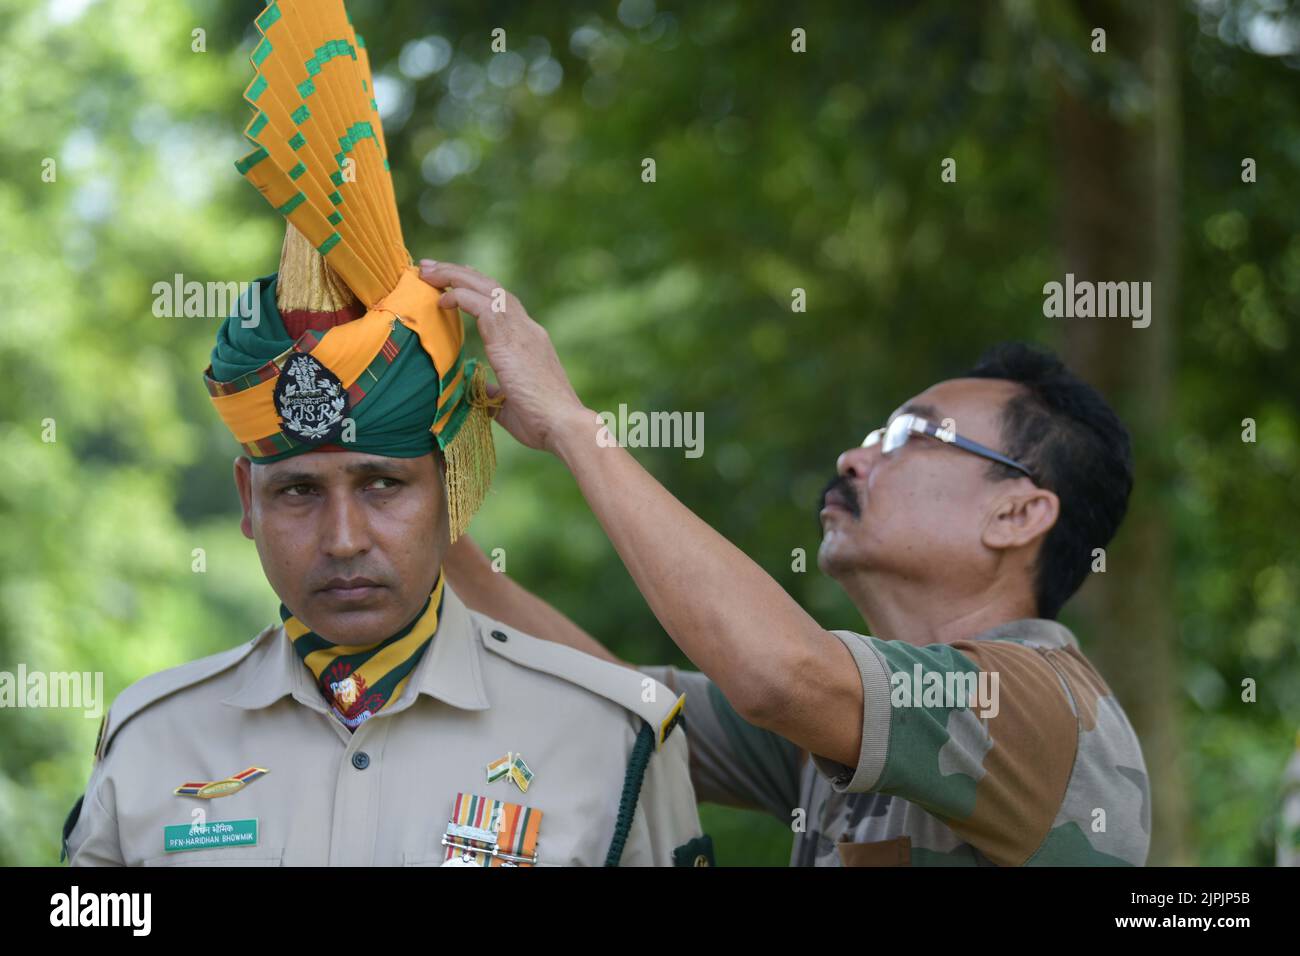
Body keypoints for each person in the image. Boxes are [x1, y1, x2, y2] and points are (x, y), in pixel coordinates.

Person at [60, 0, 705, 867]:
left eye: (382, 484)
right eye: (297, 491)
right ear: (246, 504)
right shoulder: (149, 744)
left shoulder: (609, 736)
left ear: (453, 487)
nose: (343, 538)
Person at [429, 258, 1152, 866]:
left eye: (912, 435)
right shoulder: (857, 716)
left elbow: (780, 673)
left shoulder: (1035, 702)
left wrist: (571, 424)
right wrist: (418, 506)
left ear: (1018, 514)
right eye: (876, 432)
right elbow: (618, 707)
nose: (855, 457)